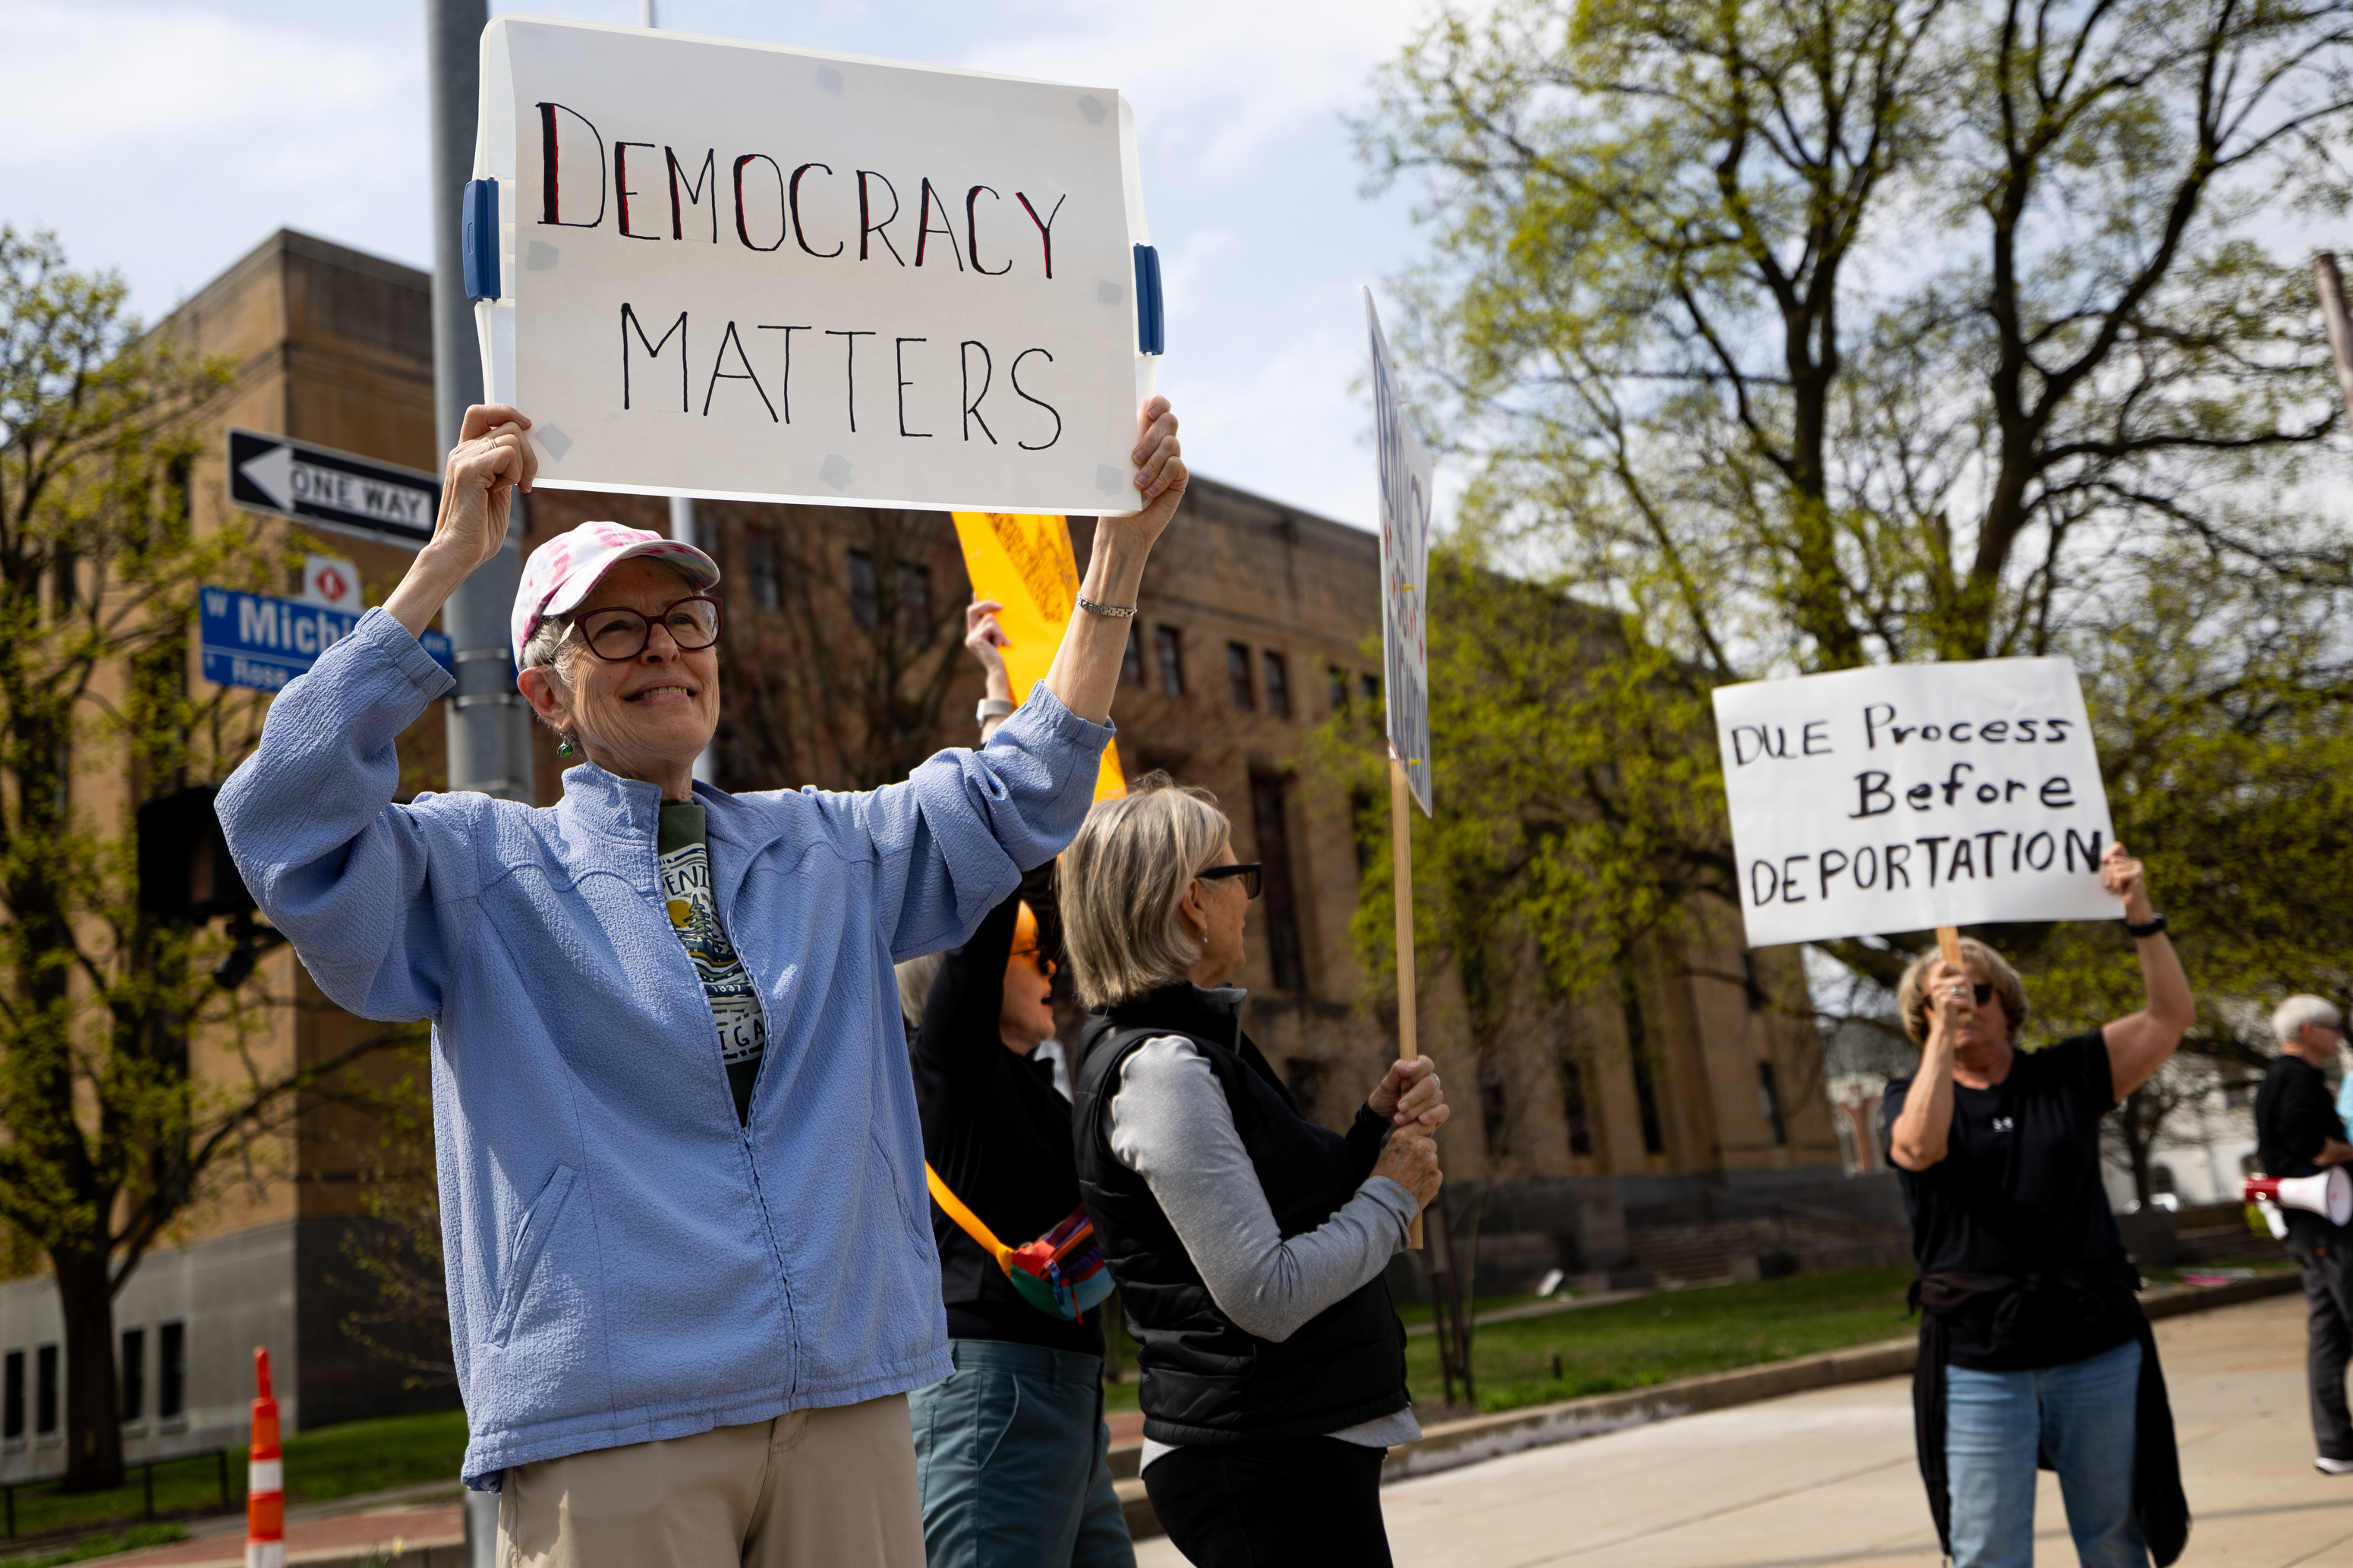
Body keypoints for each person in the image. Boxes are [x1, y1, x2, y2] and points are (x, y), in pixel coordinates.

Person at [215, 396, 1186, 1568]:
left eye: (684, 619)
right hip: (615, 1423)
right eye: (613, 632)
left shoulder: (825, 847)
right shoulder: (474, 867)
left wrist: (1117, 559)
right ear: (546, 694)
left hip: (846, 1398)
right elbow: (280, 822)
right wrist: (442, 567)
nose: (664, 647)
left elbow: (1025, 787)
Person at [1061, 774, 1447, 1568]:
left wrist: (1374, 1130)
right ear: (1192, 902)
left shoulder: (1197, 1045)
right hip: (1259, 1454)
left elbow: (1289, 1203)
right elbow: (1262, 1292)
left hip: (1287, 1440)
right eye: (1238, 875)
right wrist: (1390, 1195)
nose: (1251, 898)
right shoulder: (1162, 1069)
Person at [897, 601, 1132, 1568]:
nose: (1052, 967)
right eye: (1032, 954)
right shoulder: (945, 1076)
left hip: (1071, 1401)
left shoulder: (1039, 1087)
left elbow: (1033, 890)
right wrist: (998, 712)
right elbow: (1002, 889)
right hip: (988, 1396)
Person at [1884, 842, 2194, 1568]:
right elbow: (1920, 1148)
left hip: (2093, 1344)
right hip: (1979, 1353)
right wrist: (1939, 1038)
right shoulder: (1912, 1096)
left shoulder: (2066, 1075)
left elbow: (2170, 1017)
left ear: (2008, 1004)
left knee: (2114, 1535)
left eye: (1976, 993)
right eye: (1943, 997)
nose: (1964, 1005)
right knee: (1988, 1545)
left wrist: (2139, 911)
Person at [2254, 994, 2353, 1475]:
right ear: (2310, 1030)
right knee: (2336, 1326)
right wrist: (2345, 1150)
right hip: (2326, 1221)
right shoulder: (2296, 1079)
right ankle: (2335, 1443)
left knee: (2329, 1332)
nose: (2340, 1035)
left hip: (2310, 1223)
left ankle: (2336, 1446)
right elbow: (2308, 1144)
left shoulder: (2285, 1077)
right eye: (2334, 1027)